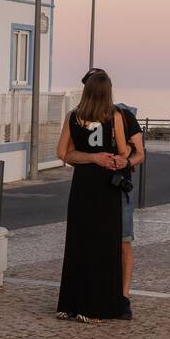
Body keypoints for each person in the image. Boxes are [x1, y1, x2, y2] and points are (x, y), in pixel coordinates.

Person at [55, 68, 131, 322]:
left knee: (78, 242)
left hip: (82, 184)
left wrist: (89, 157)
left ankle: (69, 304)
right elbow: (122, 151)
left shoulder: (73, 117)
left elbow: (63, 153)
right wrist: (122, 154)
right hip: (105, 186)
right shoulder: (115, 116)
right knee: (104, 247)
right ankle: (96, 308)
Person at [112, 94, 145, 317]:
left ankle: (124, 297)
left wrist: (127, 161)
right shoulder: (87, 118)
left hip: (121, 189)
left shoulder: (125, 118)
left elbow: (140, 154)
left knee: (124, 242)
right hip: (96, 190)